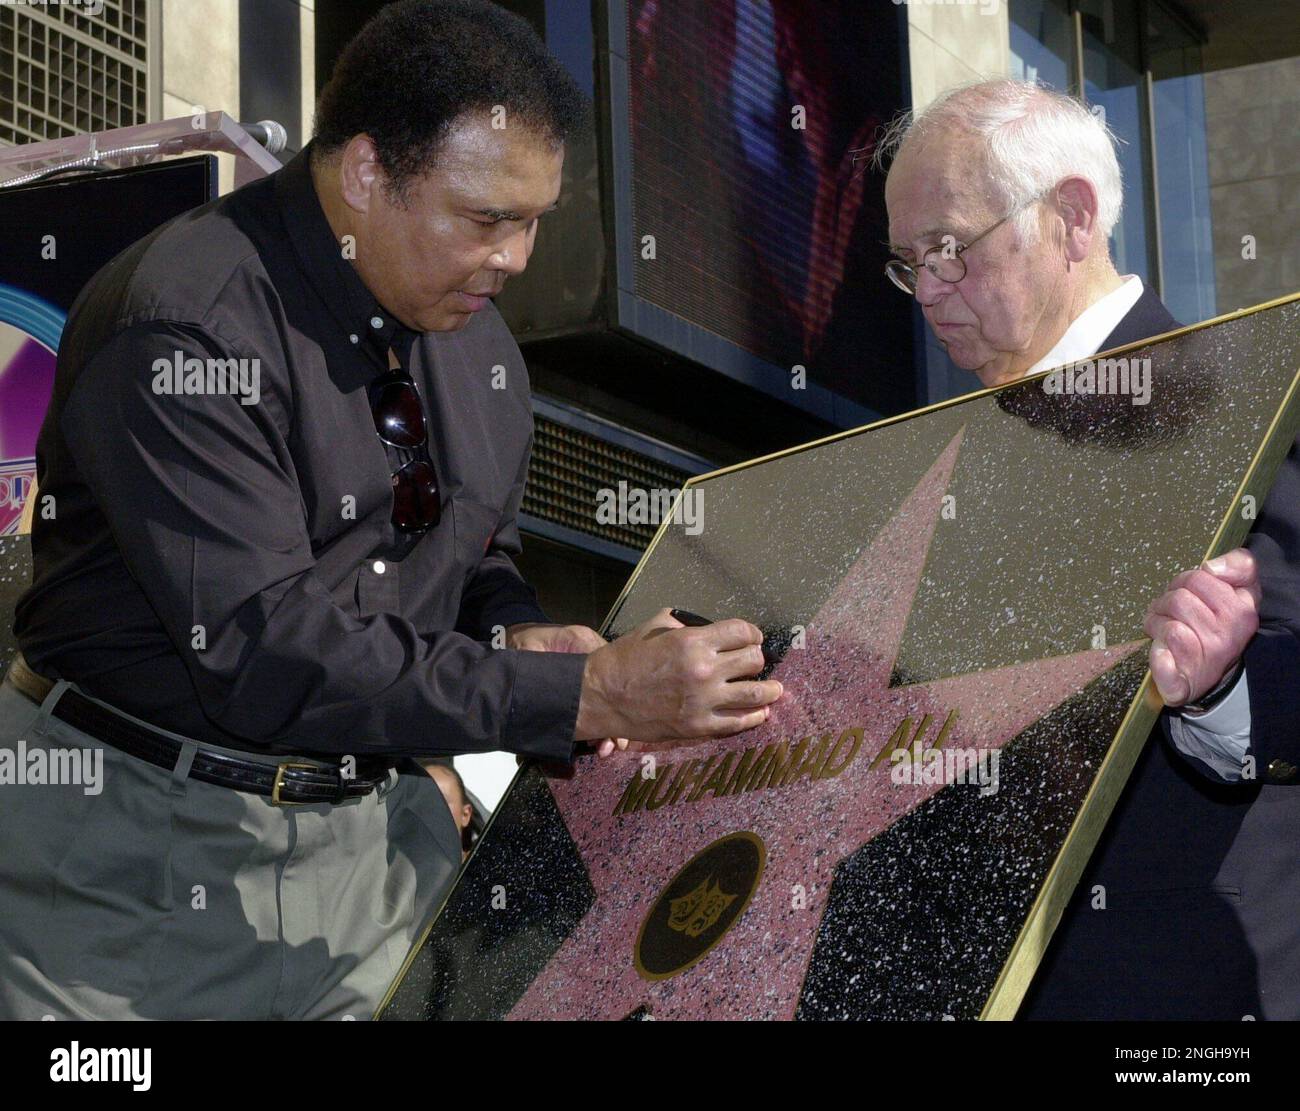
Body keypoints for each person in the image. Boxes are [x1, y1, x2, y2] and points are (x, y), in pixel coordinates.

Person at [0, 0, 782, 1020]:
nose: (514, 259)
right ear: (366, 171)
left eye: (534, 218)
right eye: (486, 219)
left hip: (376, 861)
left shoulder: (481, 350)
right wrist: (579, 697)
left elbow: (470, 562)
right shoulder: (182, 325)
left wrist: (519, 631)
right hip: (129, 869)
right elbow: (263, 647)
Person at [878, 77, 1300, 1019]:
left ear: (1072, 216)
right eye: (909, 264)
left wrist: (1226, 686)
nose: (930, 294)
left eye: (951, 250)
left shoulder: (1257, 397)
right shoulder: (918, 471)